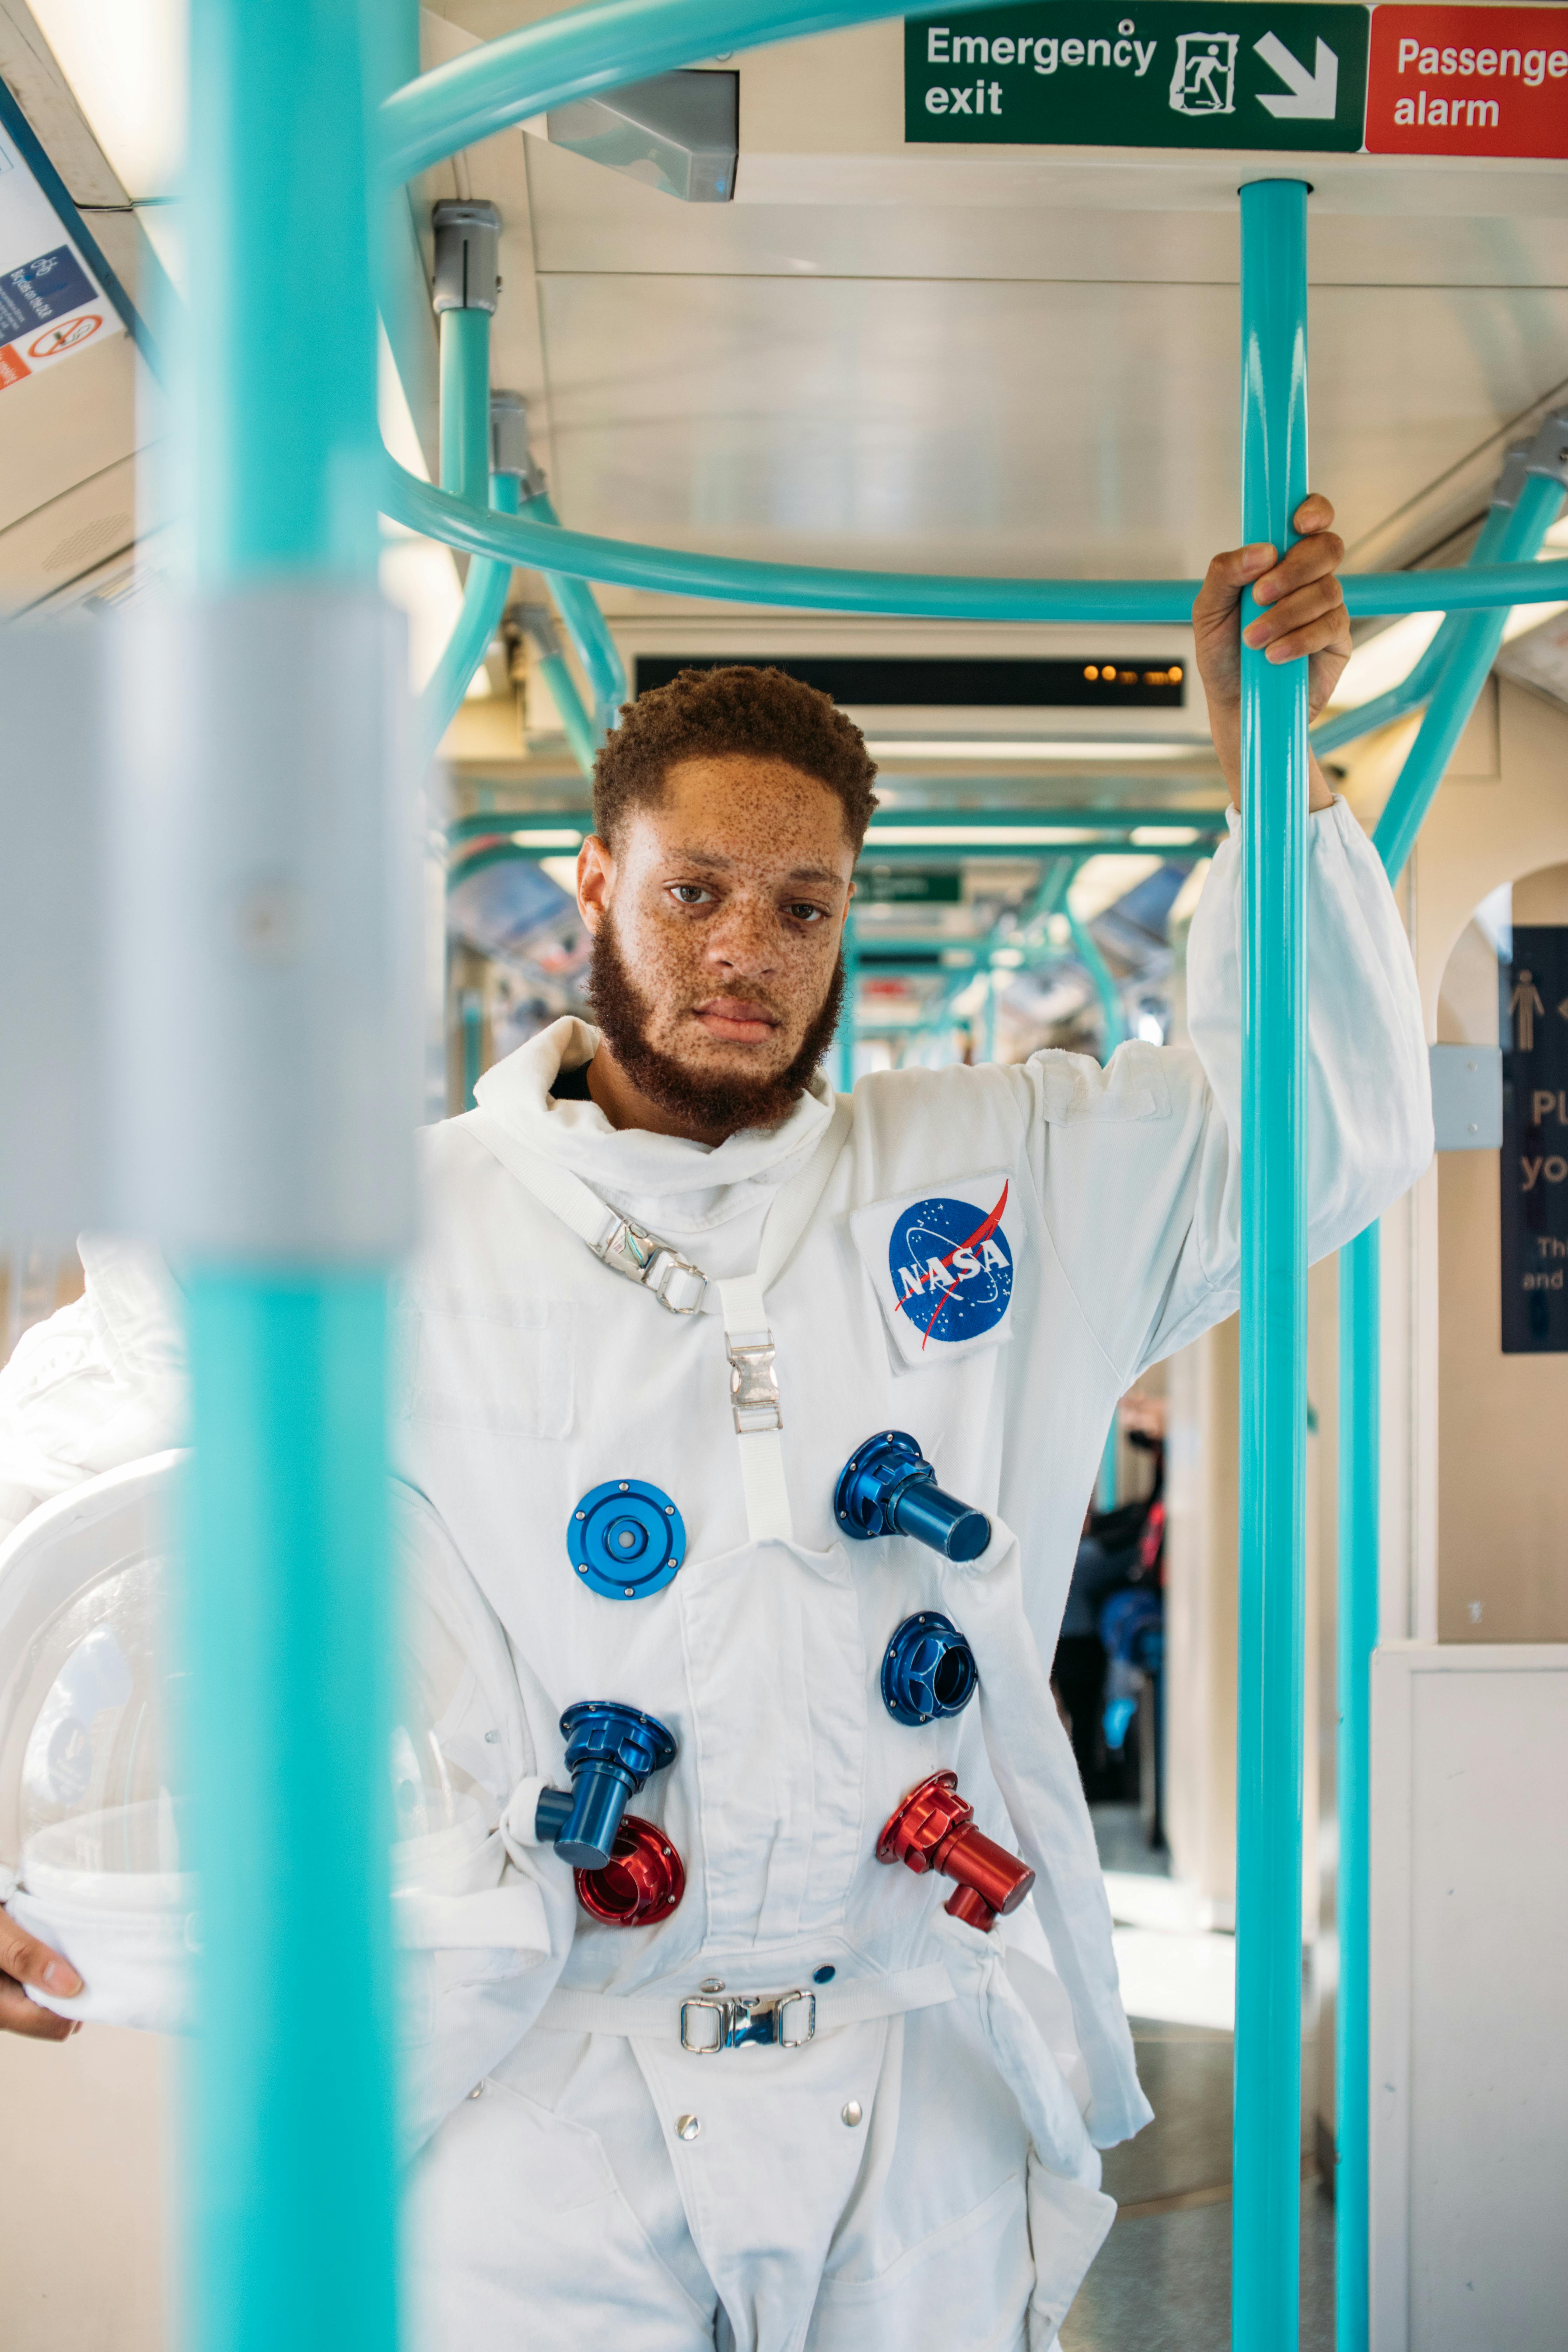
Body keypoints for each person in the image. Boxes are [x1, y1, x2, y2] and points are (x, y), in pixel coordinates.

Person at [0, 500, 1431, 2350]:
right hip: (544, 2078)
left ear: (853, 910)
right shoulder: (389, 1225)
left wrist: (1282, 786)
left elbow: (1319, 1130)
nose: (747, 952)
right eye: (695, 892)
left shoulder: (999, 1175)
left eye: (803, 904)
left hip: (913, 2053)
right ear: (594, 884)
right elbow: (86, 1469)